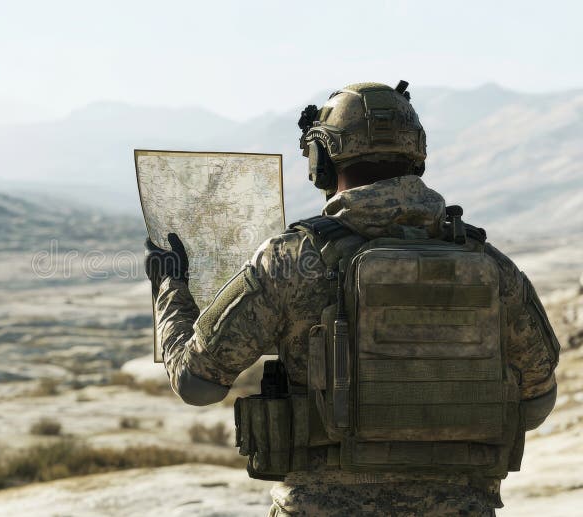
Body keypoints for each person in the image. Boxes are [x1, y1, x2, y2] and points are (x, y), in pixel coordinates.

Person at [144, 81, 559, 516]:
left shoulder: (291, 259)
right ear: (417, 156)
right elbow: (536, 403)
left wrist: (170, 289)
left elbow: (196, 382)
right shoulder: (491, 266)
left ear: (322, 161)